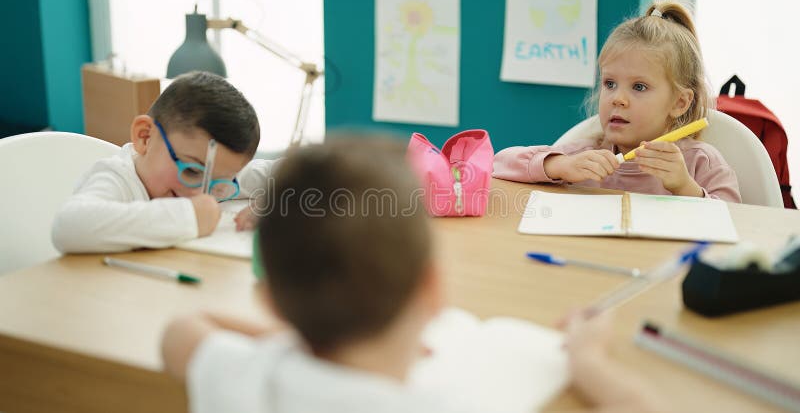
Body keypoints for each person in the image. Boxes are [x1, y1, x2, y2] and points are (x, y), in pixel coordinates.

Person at [161, 136, 665, 413]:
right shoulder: (451, 403)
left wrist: (302, 336)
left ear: (268, 298)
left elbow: (181, 331)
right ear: (432, 289)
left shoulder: (249, 377)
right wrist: (587, 359)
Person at [494, 0, 741, 202]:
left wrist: (685, 188)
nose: (617, 99)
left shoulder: (699, 162)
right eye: (610, 83)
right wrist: (559, 166)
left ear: (680, 103)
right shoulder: (584, 156)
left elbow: (737, 224)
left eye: (639, 87)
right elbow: (496, 166)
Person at [51, 71, 275, 253]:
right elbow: (68, 226)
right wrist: (189, 216)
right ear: (145, 137)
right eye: (191, 171)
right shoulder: (117, 178)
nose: (200, 193)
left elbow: (298, 176)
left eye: (218, 185)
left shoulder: (217, 176)